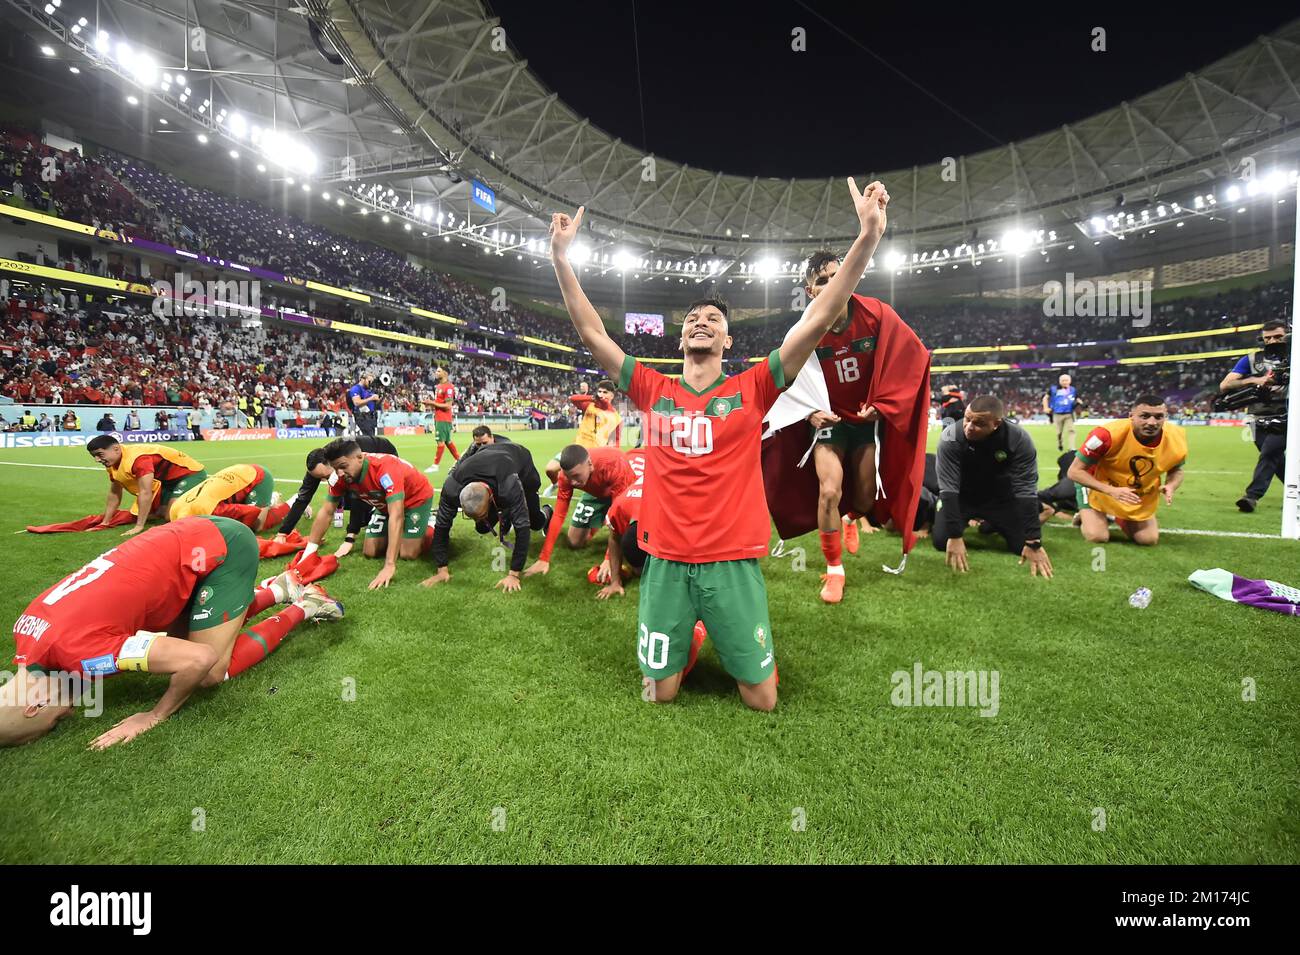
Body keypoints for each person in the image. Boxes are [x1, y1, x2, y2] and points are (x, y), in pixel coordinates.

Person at [548, 177, 889, 711]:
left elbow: (820, 316)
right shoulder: (651, 389)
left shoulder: (752, 388)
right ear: (681, 339)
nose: (700, 322)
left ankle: (714, 632)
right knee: (657, 695)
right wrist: (562, 259)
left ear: (728, 339)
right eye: (692, 320)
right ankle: (692, 637)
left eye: (713, 319)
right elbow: (593, 334)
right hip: (664, 561)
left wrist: (867, 236)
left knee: (763, 700)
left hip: (732, 562)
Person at [0, 516, 343, 749]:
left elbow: (199, 659)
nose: (70, 713)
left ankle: (307, 604)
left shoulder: (82, 657)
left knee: (209, 673)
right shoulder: (25, 630)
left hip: (221, 547)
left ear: (35, 704)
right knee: (190, 635)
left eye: (54, 720)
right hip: (183, 538)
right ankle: (281, 589)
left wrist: (154, 715)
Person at [793, 249, 927, 603]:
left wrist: (884, 404)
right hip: (828, 423)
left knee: (865, 498)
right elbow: (783, 380)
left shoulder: (876, 315)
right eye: (823, 280)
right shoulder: (804, 329)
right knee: (829, 491)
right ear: (810, 291)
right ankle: (834, 570)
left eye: (839, 275)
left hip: (865, 421)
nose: (833, 284)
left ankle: (851, 518)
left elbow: (912, 358)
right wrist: (809, 413)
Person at [933, 396, 1053, 577]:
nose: (969, 427)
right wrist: (956, 536)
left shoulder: (1018, 439)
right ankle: (977, 523)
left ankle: (992, 524)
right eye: (967, 418)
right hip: (961, 498)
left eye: (979, 423)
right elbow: (948, 488)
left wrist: (1033, 541)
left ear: (996, 424)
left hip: (1000, 499)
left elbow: (1025, 489)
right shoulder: (950, 437)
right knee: (942, 541)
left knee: (1021, 546)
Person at [422, 442, 552, 593]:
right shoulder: (452, 487)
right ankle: (508, 510)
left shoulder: (509, 485)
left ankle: (547, 512)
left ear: (491, 499)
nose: (477, 519)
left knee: (534, 522)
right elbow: (441, 526)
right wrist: (441, 569)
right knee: (482, 527)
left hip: (520, 462)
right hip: (490, 463)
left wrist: (514, 574)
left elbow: (522, 527)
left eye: (481, 514)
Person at [304, 439, 434, 589]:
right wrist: (309, 553)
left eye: (343, 467)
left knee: (407, 553)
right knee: (370, 551)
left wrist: (389, 565)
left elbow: (396, 514)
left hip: (415, 500)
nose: (339, 473)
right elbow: (327, 511)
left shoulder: (385, 468)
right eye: (335, 469)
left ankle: (431, 522)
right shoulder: (341, 475)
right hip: (385, 503)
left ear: (360, 457)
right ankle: (408, 530)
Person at [1067, 394, 1187, 546]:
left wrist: (1171, 485)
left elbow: (1176, 470)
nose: (1152, 422)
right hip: (1097, 486)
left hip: (1134, 492)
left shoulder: (1177, 437)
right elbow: (1074, 471)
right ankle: (1085, 514)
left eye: (1158, 417)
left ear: (1166, 417)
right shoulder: (1105, 435)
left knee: (1148, 539)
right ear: (1131, 416)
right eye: (1144, 416)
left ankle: (1117, 515)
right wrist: (1111, 491)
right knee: (1097, 536)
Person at [524, 444, 637, 577]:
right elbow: (559, 514)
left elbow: (619, 512)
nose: (572, 482)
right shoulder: (566, 477)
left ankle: (608, 525)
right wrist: (544, 558)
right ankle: (598, 522)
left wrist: (608, 559)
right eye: (569, 477)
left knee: (630, 539)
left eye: (576, 476)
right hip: (596, 492)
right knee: (574, 541)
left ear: (590, 464)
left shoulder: (614, 464)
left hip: (623, 491)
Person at [276, 435, 399, 557]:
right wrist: (283, 532)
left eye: (327, 476)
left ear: (333, 464)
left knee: (363, 494)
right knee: (343, 496)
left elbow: (359, 496)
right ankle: (369, 517)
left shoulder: (350, 458)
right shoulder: (316, 468)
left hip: (383, 449)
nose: (325, 481)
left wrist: (350, 536)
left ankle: (382, 515)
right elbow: (303, 498)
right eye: (320, 478)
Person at [1219, 319, 1289, 512]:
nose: (1272, 341)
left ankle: (1251, 496)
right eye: (1268, 338)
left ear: (1288, 336)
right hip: (1257, 417)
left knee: (1270, 451)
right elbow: (1225, 385)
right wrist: (1256, 380)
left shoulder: (1296, 355)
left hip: (1286, 415)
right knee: (1275, 459)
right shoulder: (1251, 359)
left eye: (1278, 336)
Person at [86, 434, 207, 536]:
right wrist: (105, 522)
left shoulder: (140, 459)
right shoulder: (113, 463)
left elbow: (145, 492)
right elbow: (114, 493)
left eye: (100, 454)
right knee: (159, 514)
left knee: (171, 517)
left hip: (190, 474)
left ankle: (211, 509)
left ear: (116, 449)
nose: (97, 460)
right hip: (166, 482)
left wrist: (139, 526)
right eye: (94, 456)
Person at [544, 379, 622, 489]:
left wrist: (612, 456)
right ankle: (555, 484)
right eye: (599, 392)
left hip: (594, 456)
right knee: (550, 469)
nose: (601, 395)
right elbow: (573, 399)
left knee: (592, 486)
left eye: (605, 392)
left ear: (612, 395)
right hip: (576, 449)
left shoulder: (616, 418)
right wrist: (591, 398)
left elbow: (616, 441)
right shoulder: (590, 405)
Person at [168, 464, 291, 532]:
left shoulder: (210, 511)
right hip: (236, 474)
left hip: (258, 477)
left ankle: (290, 501)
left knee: (256, 525)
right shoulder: (174, 510)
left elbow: (252, 513)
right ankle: (268, 500)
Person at [423, 367, 460, 473]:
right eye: (436, 371)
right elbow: (439, 403)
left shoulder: (448, 387)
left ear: (445, 373)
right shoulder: (439, 386)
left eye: (439, 371)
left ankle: (435, 465)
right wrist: (430, 404)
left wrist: (432, 403)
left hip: (443, 418)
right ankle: (460, 461)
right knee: (448, 441)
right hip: (439, 417)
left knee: (441, 442)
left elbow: (448, 406)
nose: (436, 373)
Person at [1042, 373, 1080, 452]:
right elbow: (1045, 398)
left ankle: (1072, 448)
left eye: (1066, 380)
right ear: (1059, 381)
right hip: (1057, 414)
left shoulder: (1073, 389)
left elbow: (1077, 398)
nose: (1065, 382)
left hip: (1069, 413)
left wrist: (1082, 404)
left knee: (1071, 430)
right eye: (1063, 380)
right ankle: (1060, 443)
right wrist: (1045, 407)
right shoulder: (1053, 389)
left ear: (1070, 381)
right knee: (1059, 433)